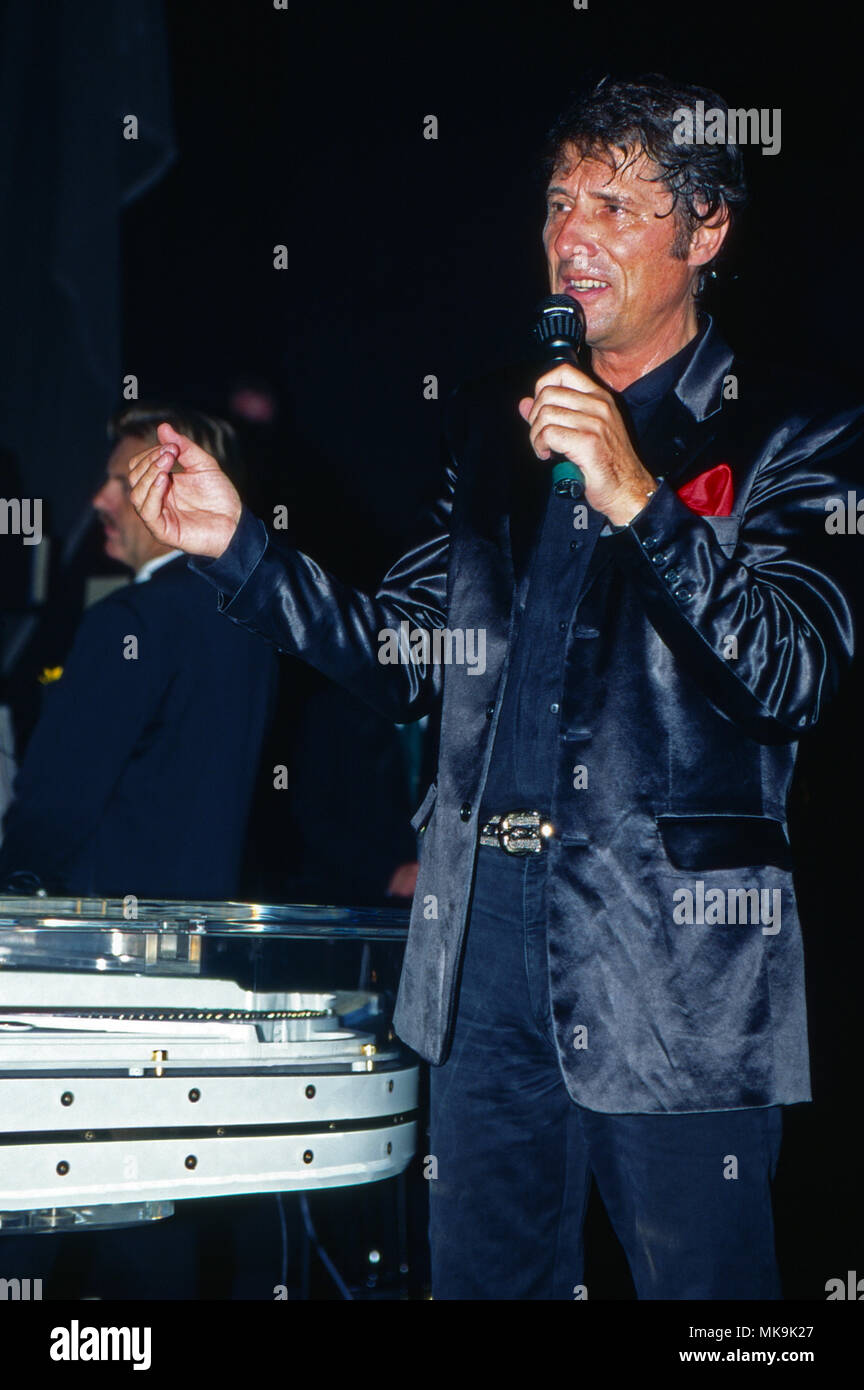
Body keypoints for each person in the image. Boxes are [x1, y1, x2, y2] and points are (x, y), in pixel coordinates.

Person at [127, 76, 863, 1299]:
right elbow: (405, 658)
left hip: (675, 970)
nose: (575, 233)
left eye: (616, 205)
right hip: (482, 956)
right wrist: (239, 549)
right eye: (561, 201)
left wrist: (640, 496)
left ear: (706, 230)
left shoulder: (798, 428)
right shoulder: (493, 426)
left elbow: (790, 673)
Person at [0, 402, 277, 899]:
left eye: (124, 484)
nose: (99, 500)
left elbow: (58, 799)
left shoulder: (130, 618)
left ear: (180, 491)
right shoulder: (255, 621)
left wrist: (15, 878)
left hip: (106, 927)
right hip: (211, 923)